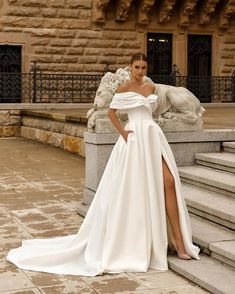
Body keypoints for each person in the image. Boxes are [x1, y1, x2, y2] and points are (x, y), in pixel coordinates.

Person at [6, 53, 199, 276]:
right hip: (135, 139)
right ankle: (145, 240)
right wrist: (124, 134)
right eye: (137, 67)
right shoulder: (124, 89)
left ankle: (179, 241)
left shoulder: (151, 89)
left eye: (144, 67)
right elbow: (111, 113)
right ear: (130, 67)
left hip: (153, 136)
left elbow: (153, 112)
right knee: (138, 188)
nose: (140, 71)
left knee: (169, 181)